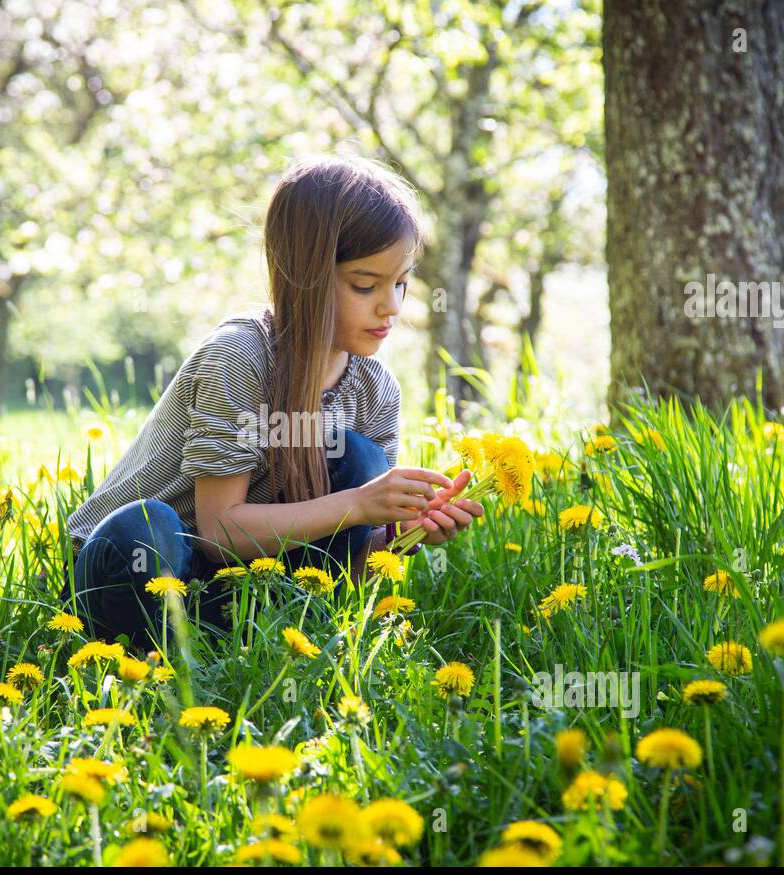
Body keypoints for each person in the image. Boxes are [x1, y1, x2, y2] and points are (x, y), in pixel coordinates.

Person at [62, 154, 484, 649]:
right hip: (139, 565)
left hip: (244, 583)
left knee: (361, 457)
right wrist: (358, 503)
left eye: (401, 284)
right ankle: (153, 653)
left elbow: (347, 562)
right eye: (365, 285)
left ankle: (245, 645)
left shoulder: (374, 389)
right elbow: (219, 532)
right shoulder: (240, 358)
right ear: (306, 275)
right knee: (147, 526)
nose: (390, 305)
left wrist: (396, 537)